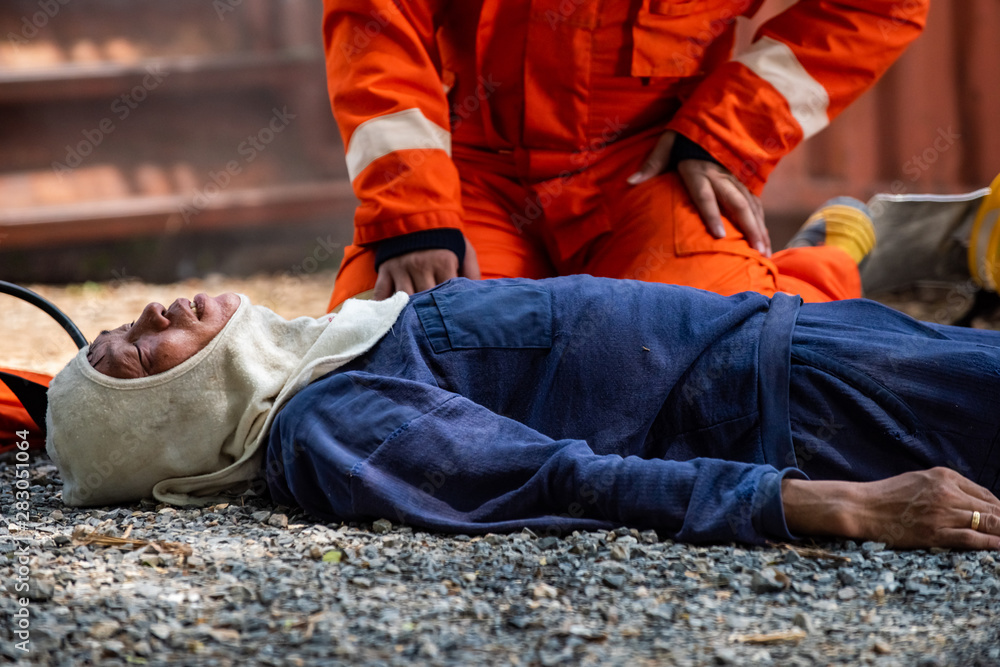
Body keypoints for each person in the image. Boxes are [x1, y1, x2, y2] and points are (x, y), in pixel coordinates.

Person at [46, 276, 1000, 550]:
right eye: (134, 352)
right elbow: (568, 479)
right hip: (806, 404)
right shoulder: (323, 423)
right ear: (166, 425)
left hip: (797, 342)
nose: (153, 314)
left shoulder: (326, 356)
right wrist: (849, 506)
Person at [321, 0, 929, 310]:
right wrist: (416, 215)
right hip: (472, 174)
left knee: (722, 367)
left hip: (647, 170)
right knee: (388, 363)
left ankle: (822, 266)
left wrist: (726, 133)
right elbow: (376, 19)